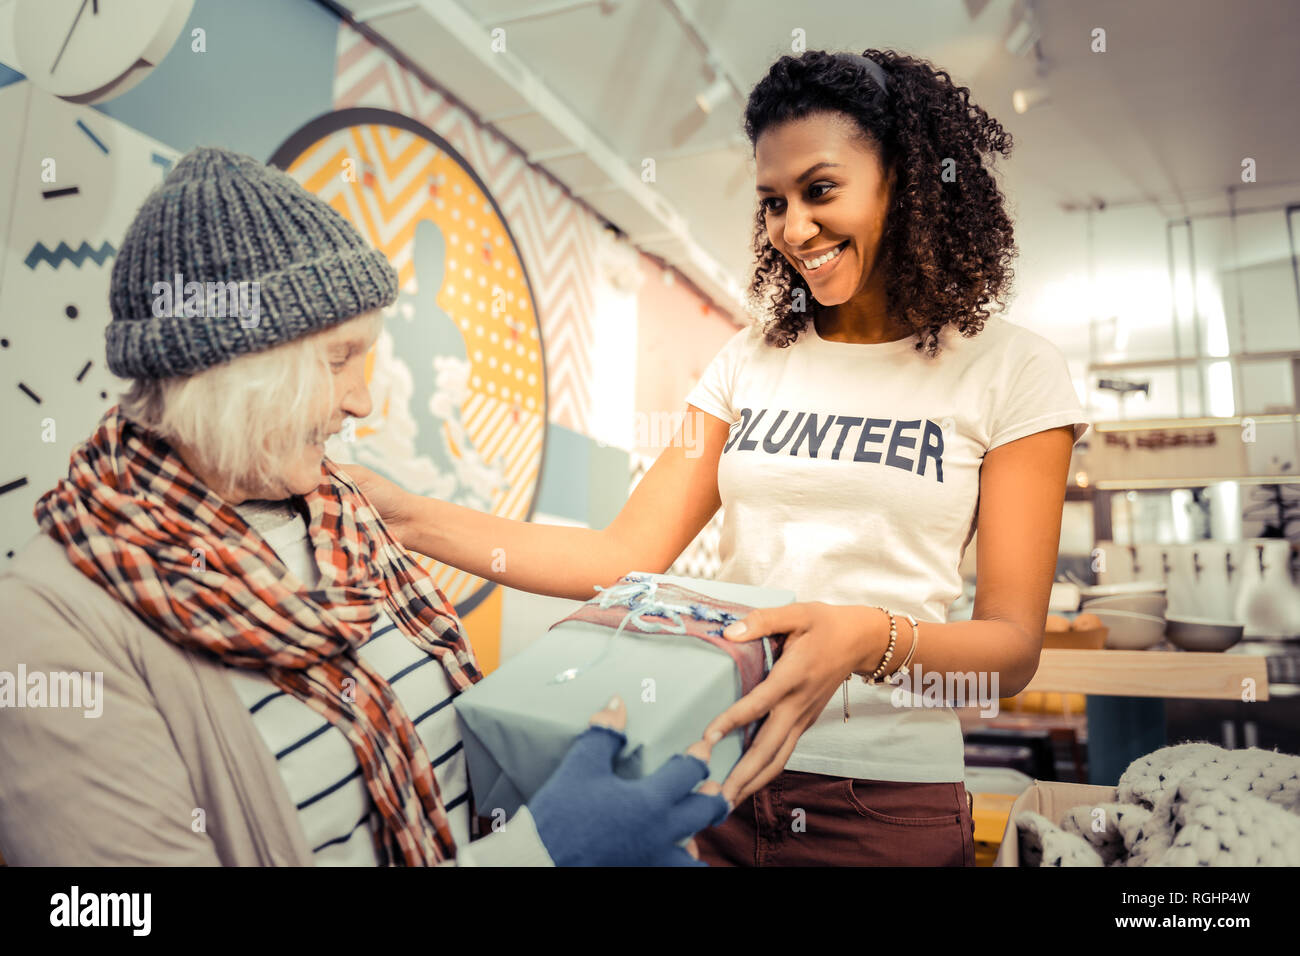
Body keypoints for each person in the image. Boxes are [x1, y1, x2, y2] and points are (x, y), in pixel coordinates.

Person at [345, 49, 1091, 867]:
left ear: (907, 181)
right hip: (718, 777)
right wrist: (397, 510)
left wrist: (861, 637)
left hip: (882, 802)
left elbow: (1010, 653)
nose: (793, 229)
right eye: (773, 202)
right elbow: (619, 556)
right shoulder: (748, 361)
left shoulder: (1011, 370)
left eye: (821, 189)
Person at [0, 146, 729, 867]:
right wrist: (540, 854)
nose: (362, 400)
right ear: (227, 369)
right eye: (337, 360)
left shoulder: (338, 513)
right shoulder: (47, 629)